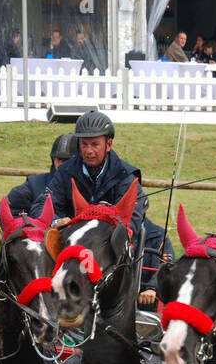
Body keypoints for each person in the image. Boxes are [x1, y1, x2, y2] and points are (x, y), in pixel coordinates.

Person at [44, 111, 151, 299]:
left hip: (106, 248)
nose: (88, 151)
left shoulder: (126, 175)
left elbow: (133, 214)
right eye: (84, 144)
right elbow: (44, 204)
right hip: (70, 243)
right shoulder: (65, 172)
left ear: (108, 144)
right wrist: (56, 221)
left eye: (95, 144)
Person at [3, 133, 78, 224]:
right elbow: (7, 208)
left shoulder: (89, 185)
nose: (62, 164)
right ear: (53, 159)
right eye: (59, 159)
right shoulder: (34, 185)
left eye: (67, 160)